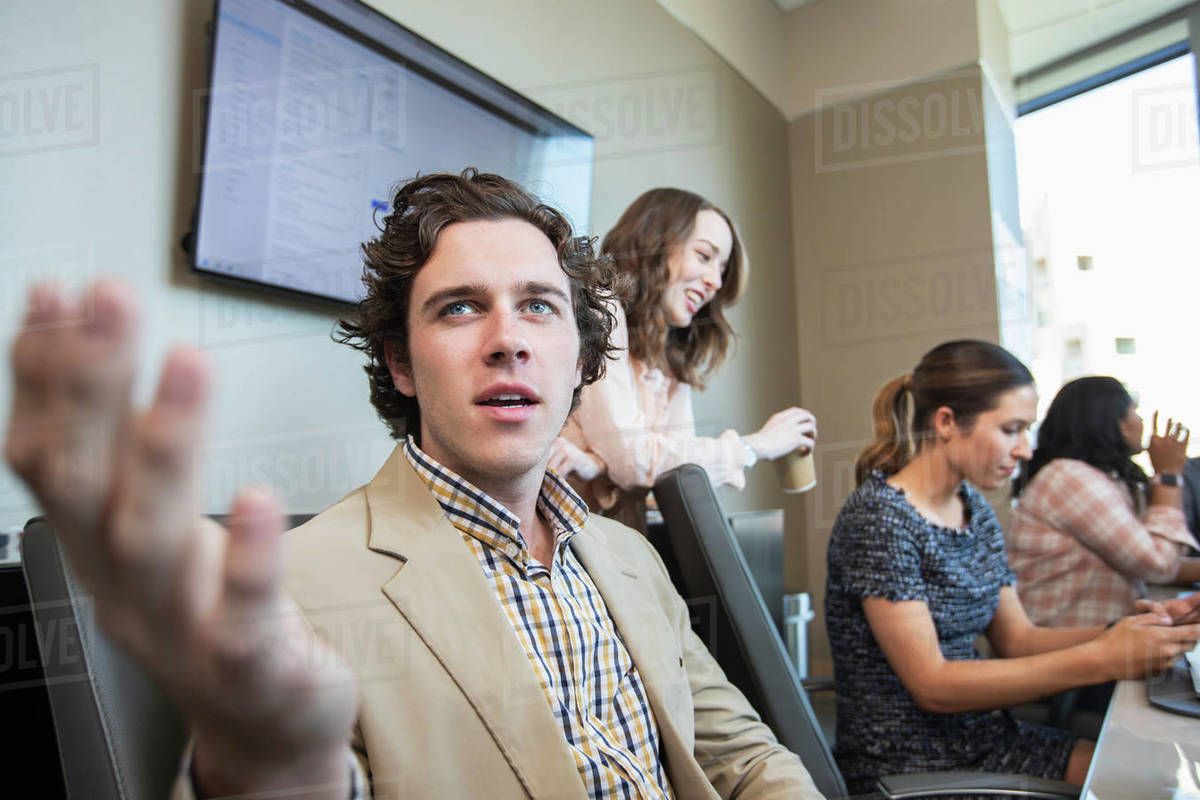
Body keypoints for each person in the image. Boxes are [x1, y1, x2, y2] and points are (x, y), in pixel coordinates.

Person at [5, 170, 823, 799]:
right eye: (461, 308)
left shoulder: (632, 559)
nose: (508, 340)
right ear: (399, 361)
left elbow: (744, 759)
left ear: (580, 360)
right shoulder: (293, 587)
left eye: (539, 306)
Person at [823, 339, 1200, 795]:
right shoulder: (880, 518)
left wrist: (1141, 627)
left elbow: (1019, 640)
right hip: (913, 766)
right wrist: (1105, 657)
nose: (1024, 449)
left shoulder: (973, 509)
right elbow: (933, 684)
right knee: (1144, 788)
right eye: (1011, 429)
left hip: (988, 741)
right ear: (946, 422)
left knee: (1158, 779)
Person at [549, 188, 817, 531]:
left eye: (721, 269)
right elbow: (635, 461)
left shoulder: (668, 351)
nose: (715, 282)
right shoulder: (601, 307)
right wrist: (755, 447)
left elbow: (671, 478)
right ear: (656, 242)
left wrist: (598, 466)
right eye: (705, 256)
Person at [1008, 376, 1200, 629]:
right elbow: (1158, 565)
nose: (1141, 422)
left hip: (1092, 645)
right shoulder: (1069, 479)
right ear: (1115, 423)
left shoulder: (1103, 481)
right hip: (1063, 652)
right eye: (1135, 412)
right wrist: (1169, 476)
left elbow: (1160, 561)